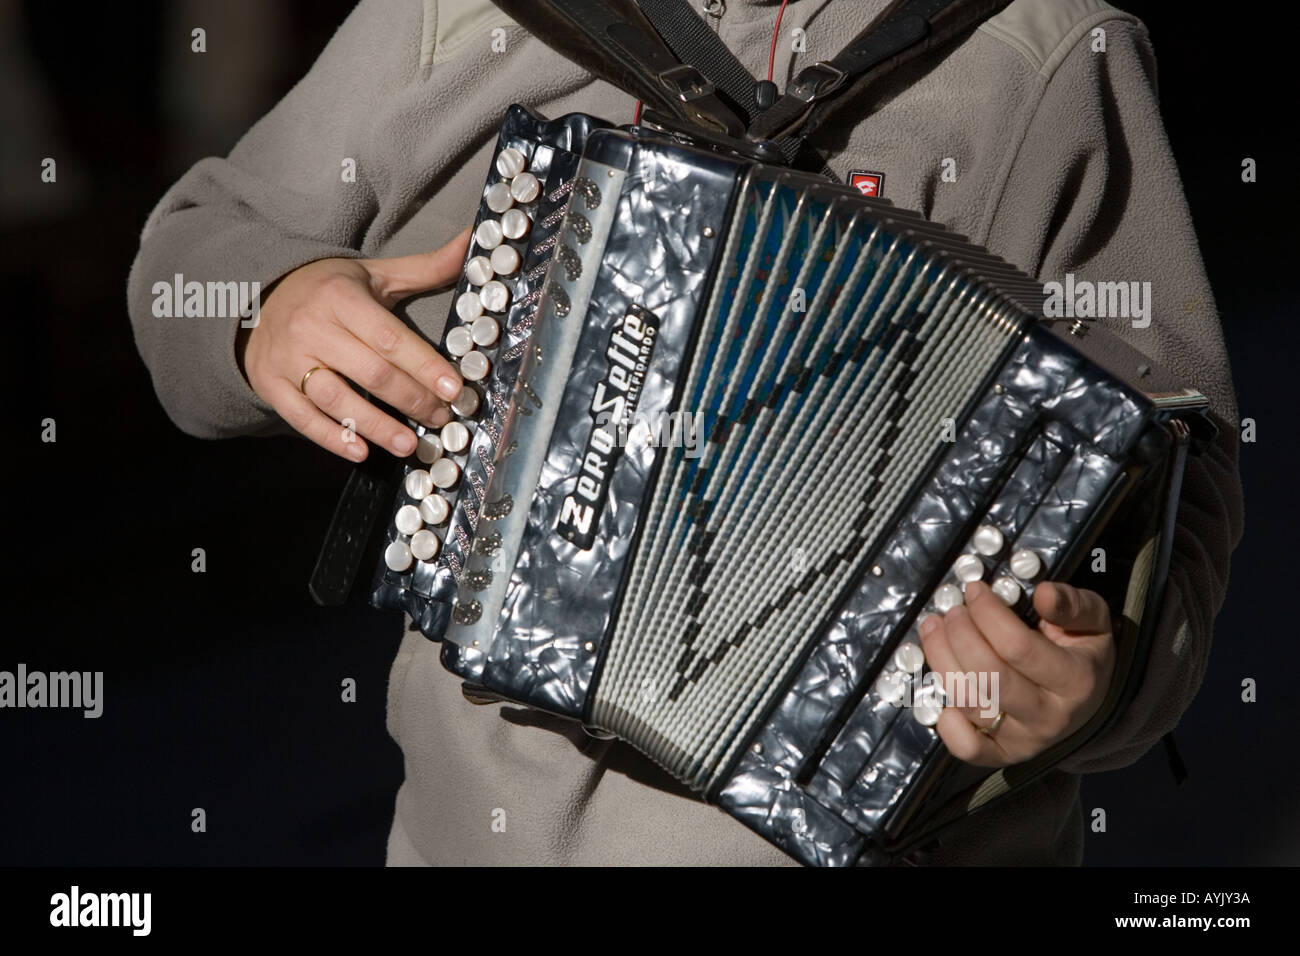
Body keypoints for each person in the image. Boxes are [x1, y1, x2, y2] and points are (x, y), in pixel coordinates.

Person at [128, 0, 1243, 865]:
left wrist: (1100, 688)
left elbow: (1182, 475)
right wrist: (267, 304)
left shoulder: (1043, 55)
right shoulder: (462, 18)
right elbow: (192, 243)